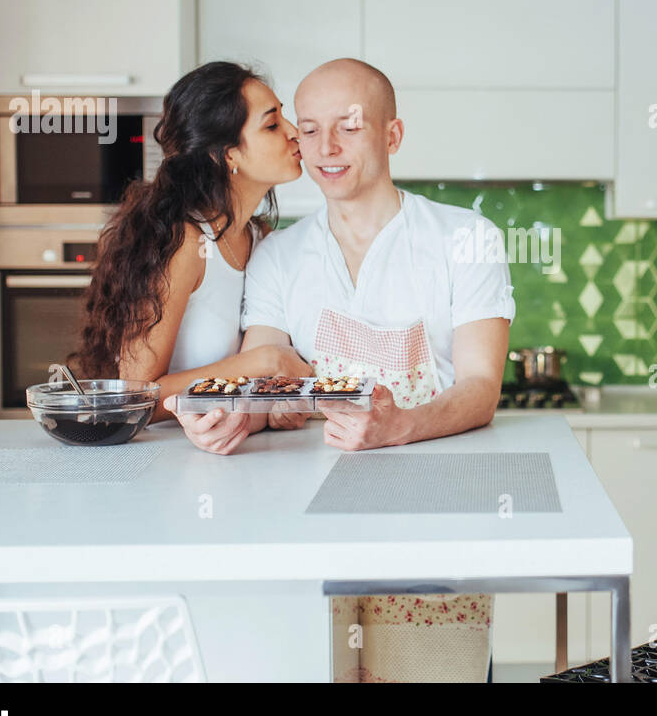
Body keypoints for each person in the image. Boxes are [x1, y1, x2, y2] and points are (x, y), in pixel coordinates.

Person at [163, 57, 515, 681]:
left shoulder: (467, 238)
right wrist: (232, 420)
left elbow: (481, 389)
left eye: (349, 127)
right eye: (309, 128)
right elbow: (266, 388)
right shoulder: (278, 255)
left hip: (431, 528)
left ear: (391, 136)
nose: (325, 148)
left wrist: (397, 426)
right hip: (304, 528)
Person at [73, 61, 313, 419]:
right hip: (161, 457)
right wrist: (260, 362)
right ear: (228, 154)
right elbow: (134, 399)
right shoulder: (184, 243)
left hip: (227, 451)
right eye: (272, 124)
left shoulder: (259, 236)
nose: (295, 132)